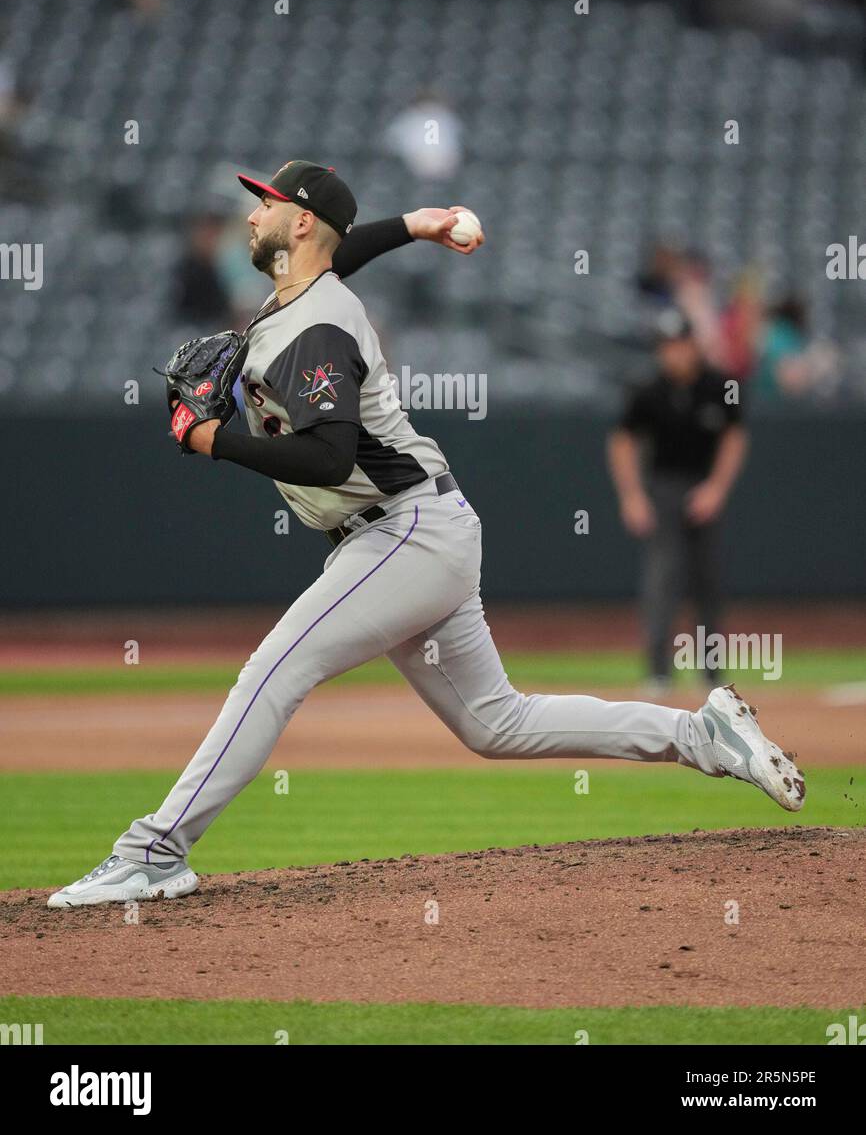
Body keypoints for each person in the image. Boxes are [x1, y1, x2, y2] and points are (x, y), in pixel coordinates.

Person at [47, 166, 802, 907]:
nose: (252, 215)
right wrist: (416, 224)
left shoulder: (316, 326)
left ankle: (153, 851)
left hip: (404, 531)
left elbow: (330, 454)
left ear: (301, 223)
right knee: (495, 723)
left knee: (272, 672)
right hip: (409, 530)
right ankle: (701, 734)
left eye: (267, 204)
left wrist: (216, 441)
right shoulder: (305, 292)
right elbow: (345, 251)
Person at [607, 313, 749, 693]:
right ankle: (658, 673)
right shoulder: (648, 390)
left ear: (693, 344)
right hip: (664, 488)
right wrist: (632, 496)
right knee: (662, 579)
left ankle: (712, 676)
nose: (674, 354)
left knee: (707, 582)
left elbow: (734, 437)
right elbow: (622, 441)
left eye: (680, 345)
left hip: (703, 487)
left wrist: (717, 488)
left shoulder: (720, 386)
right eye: (666, 347)